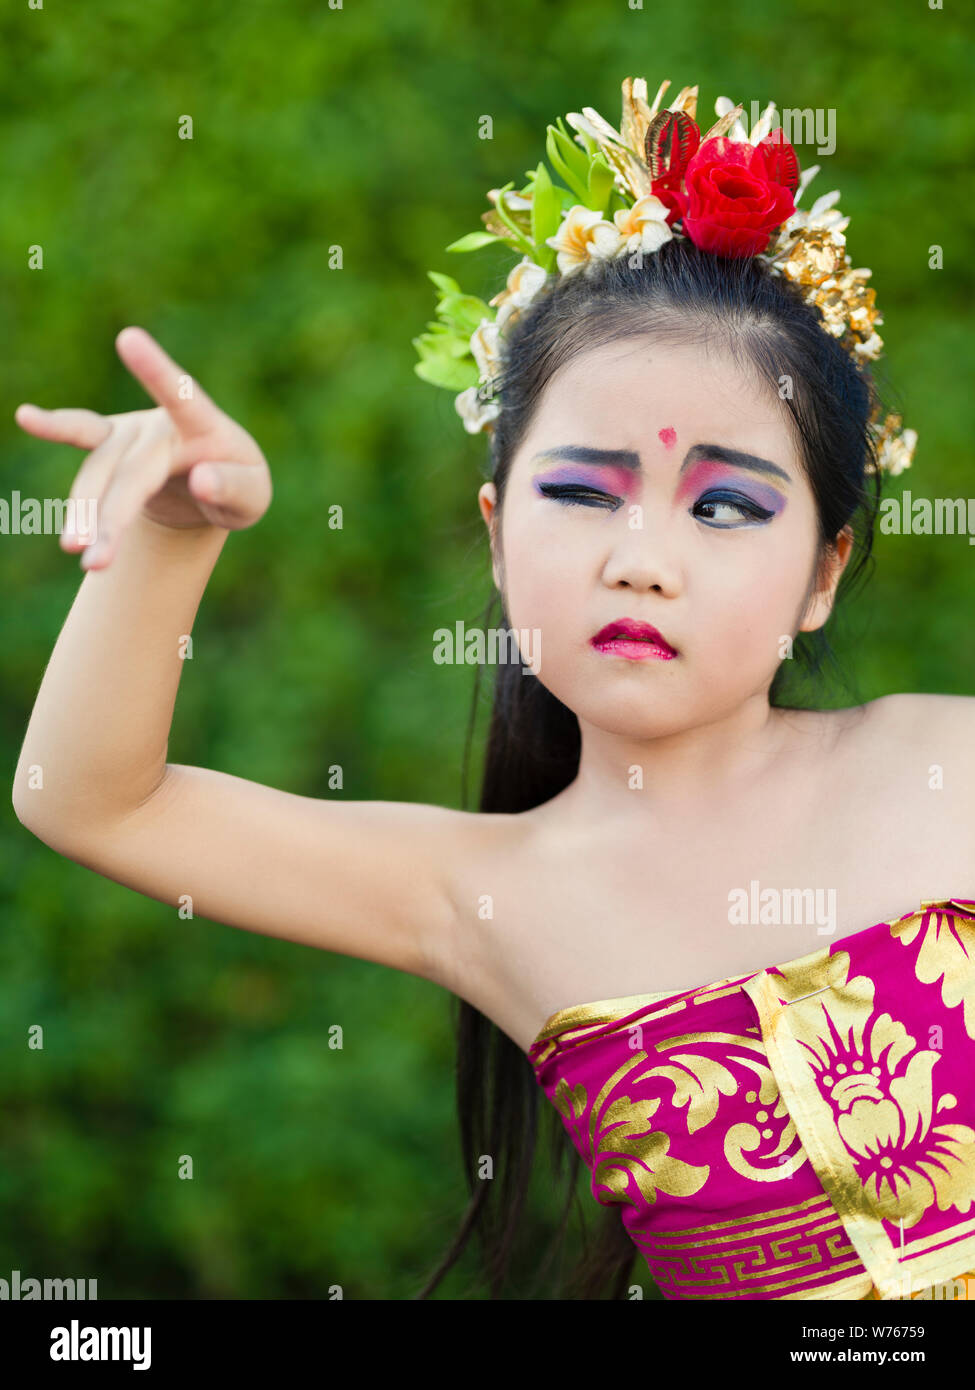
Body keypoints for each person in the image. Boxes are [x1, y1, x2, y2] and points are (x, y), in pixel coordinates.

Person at [12, 75, 975, 1303]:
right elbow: (88, 800)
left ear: (822, 575)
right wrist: (167, 532)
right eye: (581, 492)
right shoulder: (483, 894)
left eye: (727, 506)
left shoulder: (950, 768)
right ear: (496, 528)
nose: (641, 558)